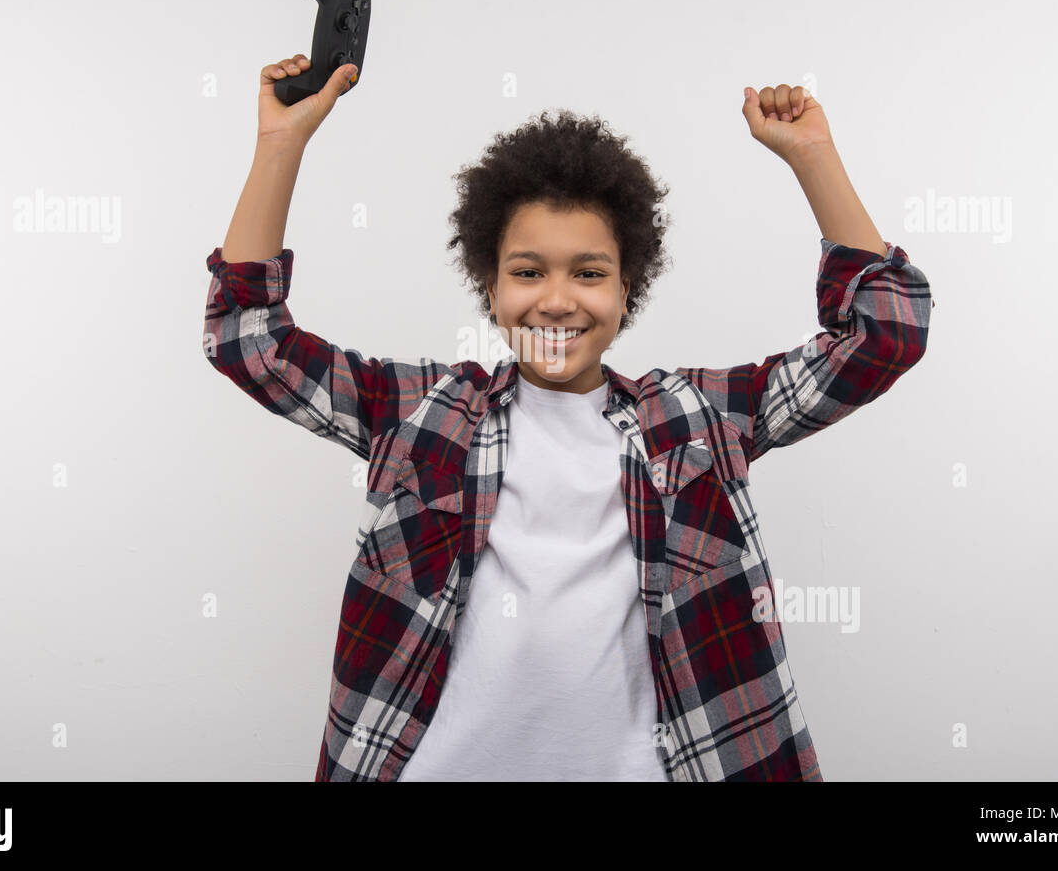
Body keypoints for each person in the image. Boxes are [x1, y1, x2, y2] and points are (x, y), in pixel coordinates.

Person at [202, 54, 933, 781]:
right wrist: (281, 143)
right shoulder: (424, 413)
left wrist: (814, 157)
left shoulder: (694, 419)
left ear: (626, 290)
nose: (557, 299)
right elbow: (248, 340)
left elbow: (884, 334)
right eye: (528, 271)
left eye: (588, 272)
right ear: (490, 288)